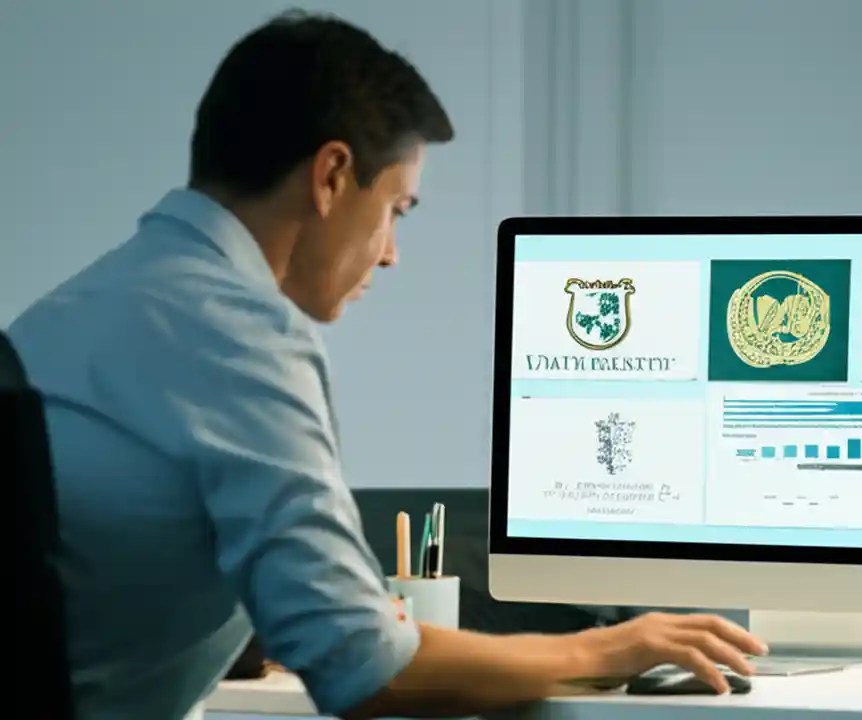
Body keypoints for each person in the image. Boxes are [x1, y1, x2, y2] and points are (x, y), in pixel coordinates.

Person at [6, 10, 765, 720]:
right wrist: (609, 647)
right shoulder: (243, 331)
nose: (392, 252)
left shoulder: (76, 310)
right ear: (332, 177)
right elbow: (363, 671)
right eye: (396, 210)